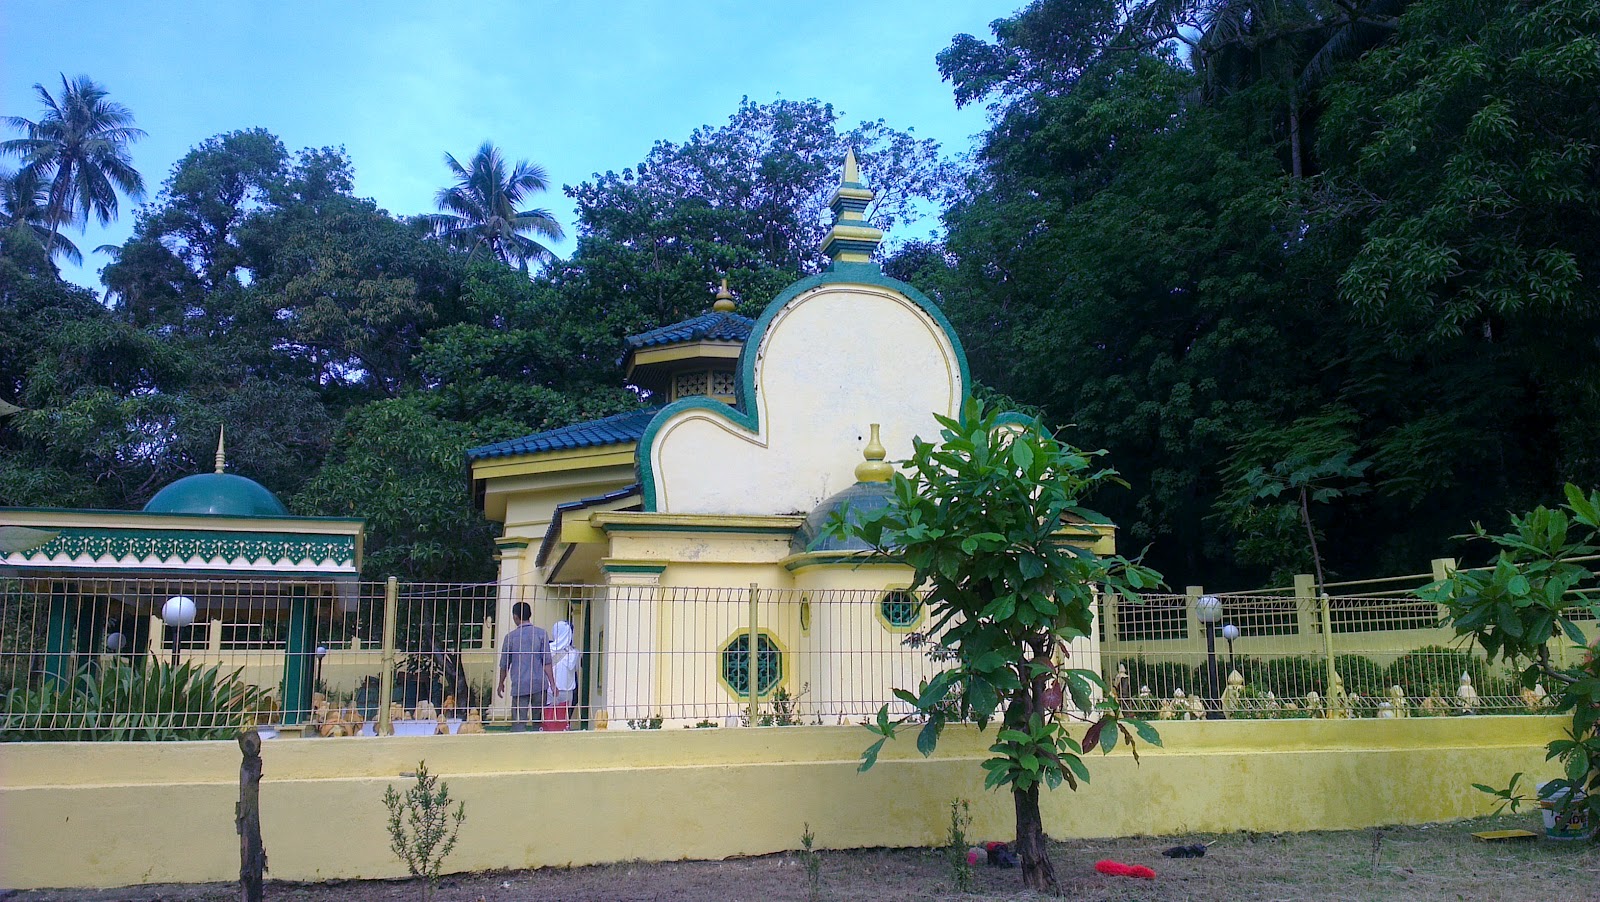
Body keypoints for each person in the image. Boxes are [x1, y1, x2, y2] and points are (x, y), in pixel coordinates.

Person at [497, 601, 553, 732]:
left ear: (515, 617)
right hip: (539, 684)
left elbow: (504, 664)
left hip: (520, 685)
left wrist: (501, 683)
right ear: (530, 615)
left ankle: (519, 742)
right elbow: (547, 662)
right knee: (538, 723)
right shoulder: (541, 634)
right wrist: (553, 684)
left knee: (518, 723)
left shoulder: (510, 638)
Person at [543, 620, 580, 731]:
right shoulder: (574, 652)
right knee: (564, 719)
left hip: (550, 690)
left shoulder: (547, 649)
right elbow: (575, 668)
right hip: (567, 691)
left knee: (549, 718)